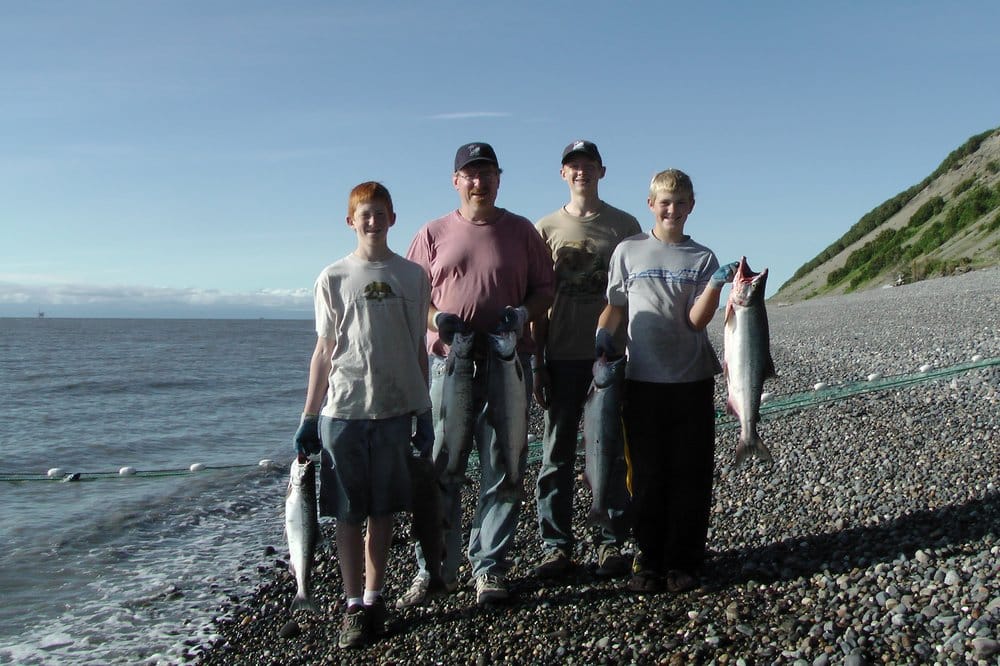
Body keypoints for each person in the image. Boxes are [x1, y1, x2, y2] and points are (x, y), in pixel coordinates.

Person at [398, 141, 555, 607]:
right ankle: (435, 569)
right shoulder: (431, 233)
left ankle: (488, 567)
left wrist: (523, 316)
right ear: (456, 181)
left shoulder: (522, 231)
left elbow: (545, 290)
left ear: (499, 179)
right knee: (443, 467)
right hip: (450, 366)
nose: (479, 182)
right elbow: (414, 297)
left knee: (504, 465)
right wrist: (437, 320)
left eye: (487, 174)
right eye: (470, 174)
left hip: (509, 362)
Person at [292, 181, 432, 648]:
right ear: (350, 221)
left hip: (394, 411)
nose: (372, 221)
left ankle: (376, 597)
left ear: (393, 218)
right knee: (347, 514)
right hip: (344, 412)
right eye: (363, 214)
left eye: (380, 213)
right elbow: (324, 350)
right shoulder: (332, 277)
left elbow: (418, 347)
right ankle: (352, 604)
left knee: (384, 511)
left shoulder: (413, 275)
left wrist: (424, 407)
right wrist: (310, 416)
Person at [596, 168, 738, 594]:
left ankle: (684, 559)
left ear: (691, 206)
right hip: (641, 381)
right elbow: (614, 308)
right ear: (651, 205)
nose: (671, 210)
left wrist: (715, 286)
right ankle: (651, 558)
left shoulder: (702, 258)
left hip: (691, 381)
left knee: (690, 474)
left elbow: (696, 322)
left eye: (680, 203)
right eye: (664, 202)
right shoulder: (627, 252)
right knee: (647, 476)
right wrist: (602, 337)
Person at [531, 140, 641, 579]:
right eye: (574, 166)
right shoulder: (546, 228)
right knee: (555, 452)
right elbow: (539, 301)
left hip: (611, 357)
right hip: (560, 355)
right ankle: (556, 546)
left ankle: (611, 540)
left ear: (602, 171)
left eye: (589, 166)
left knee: (610, 450)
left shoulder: (624, 225)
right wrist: (537, 362)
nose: (582, 173)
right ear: (563, 174)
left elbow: (636, 290)